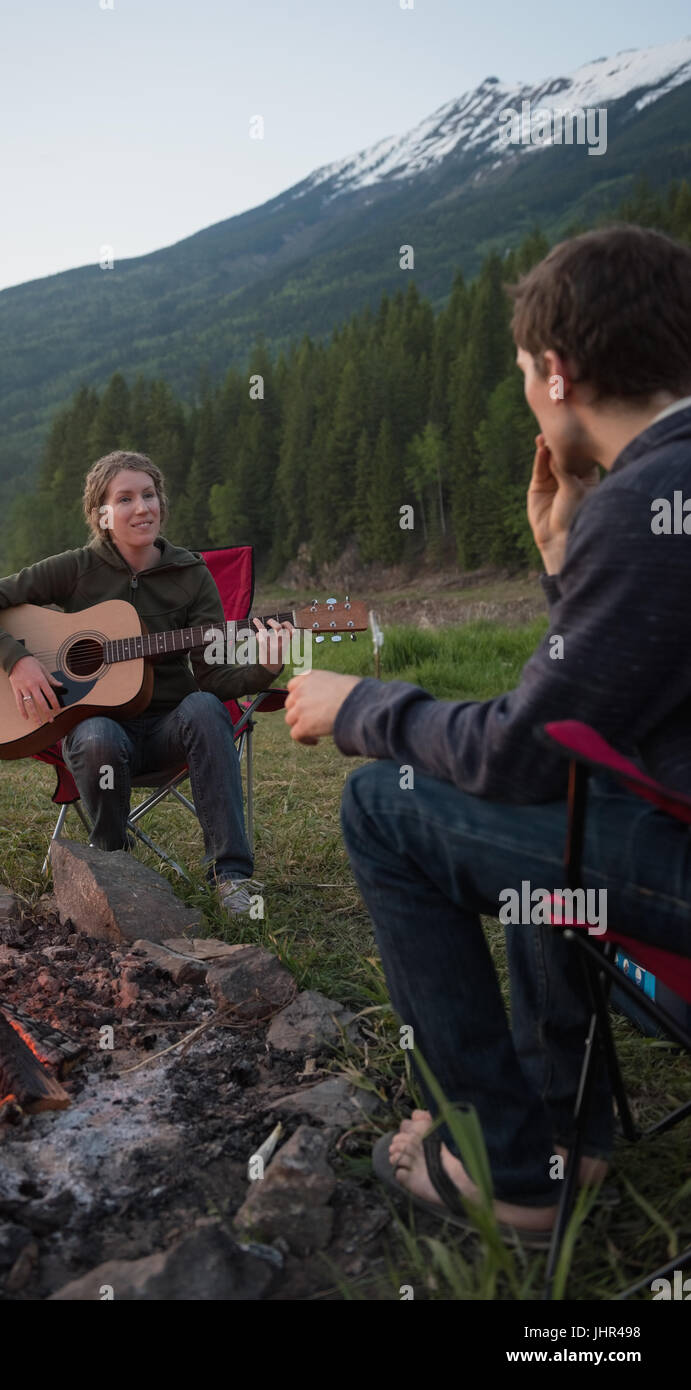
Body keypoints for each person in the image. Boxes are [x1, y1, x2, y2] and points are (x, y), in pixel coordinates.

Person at [283, 224, 691, 1238]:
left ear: (556, 372)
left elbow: (523, 753)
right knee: (557, 804)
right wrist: (562, 559)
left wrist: (363, 707)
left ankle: (506, 1167)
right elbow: (601, 717)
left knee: (387, 804)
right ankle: (561, 1127)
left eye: (521, 371)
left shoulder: (652, 498)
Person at [0, 450, 291, 914]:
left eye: (149, 495)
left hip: (173, 731)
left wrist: (265, 670)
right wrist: (17, 661)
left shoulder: (191, 575)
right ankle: (112, 870)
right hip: (101, 733)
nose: (142, 508)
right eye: (125, 498)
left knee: (206, 707)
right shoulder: (76, 569)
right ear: (101, 514)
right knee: (96, 735)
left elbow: (211, 678)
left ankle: (230, 877)